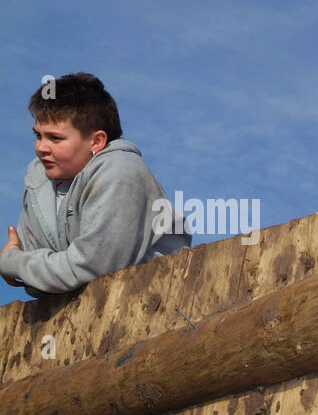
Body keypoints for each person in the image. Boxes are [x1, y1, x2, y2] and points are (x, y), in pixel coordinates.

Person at [1, 73, 189, 297]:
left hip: (161, 303)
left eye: (55, 138)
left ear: (96, 141)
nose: (41, 147)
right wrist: (40, 272)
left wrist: (14, 262)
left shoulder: (121, 171)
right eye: (38, 136)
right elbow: (43, 284)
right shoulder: (38, 183)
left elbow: (91, 267)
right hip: (85, 321)